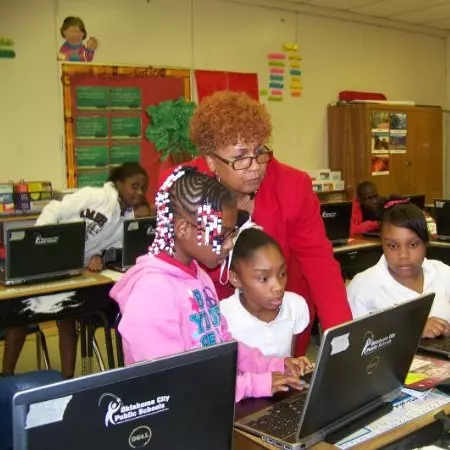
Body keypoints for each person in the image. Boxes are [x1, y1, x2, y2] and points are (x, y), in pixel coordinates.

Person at [159, 91, 351, 355]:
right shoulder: (182, 189)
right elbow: (172, 272)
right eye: (240, 158)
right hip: (211, 325)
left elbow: (319, 263)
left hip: (279, 323)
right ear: (211, 160)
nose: (255, 166)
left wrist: (343, 340)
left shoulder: (292, 186)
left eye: (259, 151)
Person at [111, 166, 313, 402]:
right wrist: (252, 385)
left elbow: (223, 345)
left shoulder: (199, 276)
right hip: (172, 422)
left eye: (231, 235)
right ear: (183, 229)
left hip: (210, 404)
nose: (228, 246)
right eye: (221, 236)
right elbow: (172, 382)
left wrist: (273, 365)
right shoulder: (151, 294)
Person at [2, 162, 148, 378]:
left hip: (71, 268)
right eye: (134, 186)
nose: (139, 192)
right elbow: (54, 209)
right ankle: (6, 375)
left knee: (67, 316)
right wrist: (39, 241)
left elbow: (108, 246)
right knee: (21, 316)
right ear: (118, 184)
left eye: (143, 188)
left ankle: (67, 379)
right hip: (44, 256)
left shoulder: (126, 218)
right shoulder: (95, 196)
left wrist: (99, 256)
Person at [347, 198, 450, 339]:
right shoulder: (362, 288)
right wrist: (412, 329)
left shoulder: (442, 273)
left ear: (426, 242)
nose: (403, 255)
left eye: (413, 245)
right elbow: (353, 344)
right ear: (382, 244)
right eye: (393, 246)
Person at [220, 226, 309, 357]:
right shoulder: (223, 317)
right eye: (264, 279)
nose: (278, 287)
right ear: (235, 278)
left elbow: (289, 359)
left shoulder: (295, 306)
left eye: (282, 273)